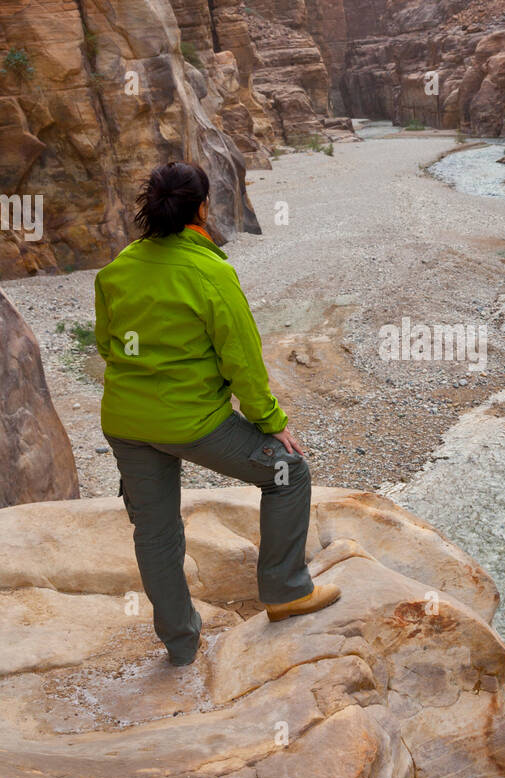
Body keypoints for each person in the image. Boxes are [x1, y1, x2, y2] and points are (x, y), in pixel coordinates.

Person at [94, 160, 340, 667]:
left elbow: (107, 344)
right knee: (288, 471)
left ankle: (181, 645)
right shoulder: (211, 272)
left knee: (155, 531)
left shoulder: (117, 270)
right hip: (193, 424)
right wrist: (271, 422)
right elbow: (243, 362)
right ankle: (285, 592)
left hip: (125, 423)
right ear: (202, 208)